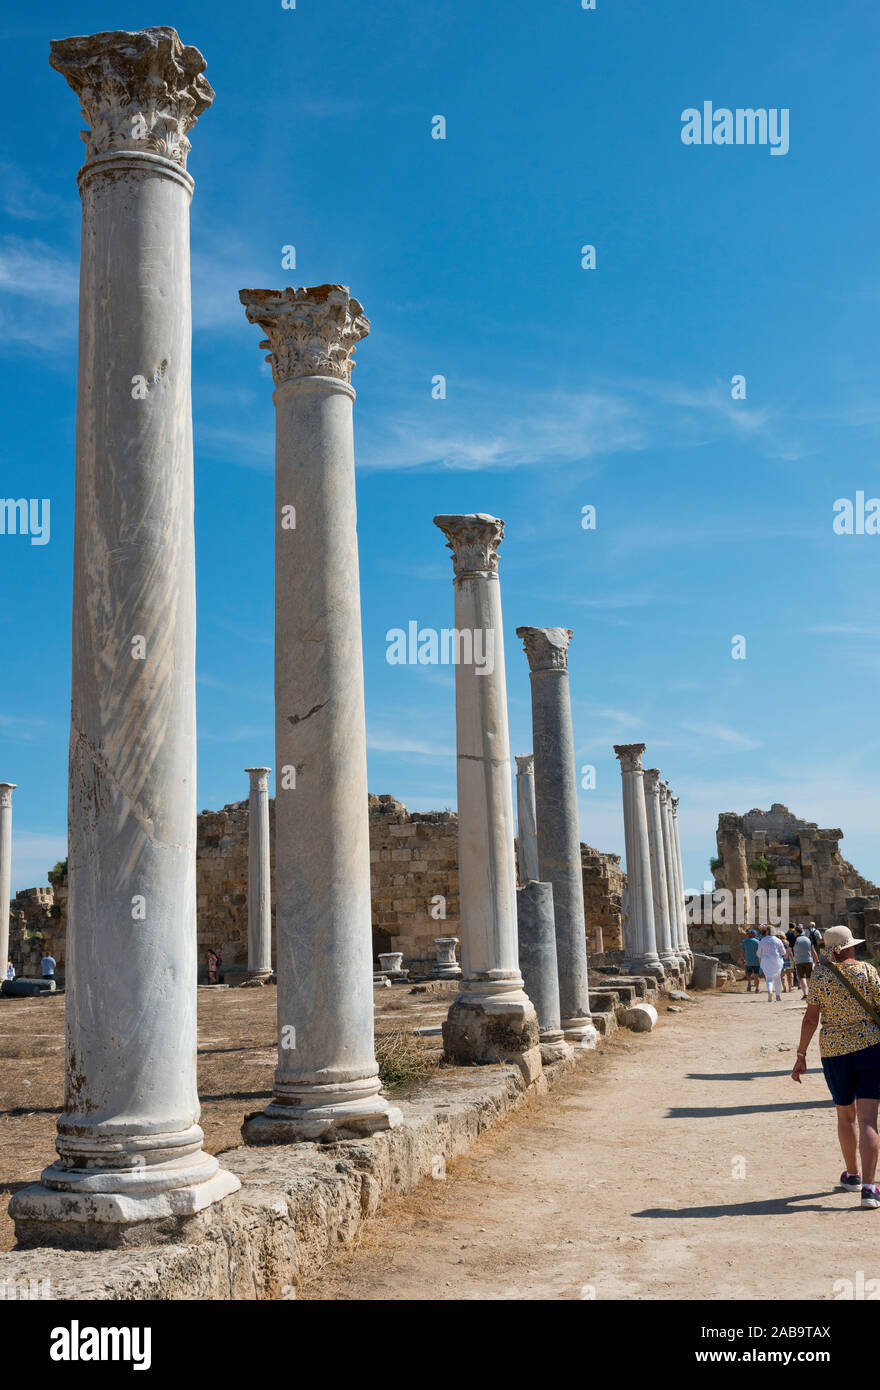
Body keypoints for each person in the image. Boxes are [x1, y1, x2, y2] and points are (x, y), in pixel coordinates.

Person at [791, 925, 880, 1209]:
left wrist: (800, 1054)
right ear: (849, 947)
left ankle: (852, 1176)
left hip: (835, 1053)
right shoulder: (868, 971)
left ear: (832, 950)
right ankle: (869, 1188)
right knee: (868, 1120)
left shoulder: (821, 975)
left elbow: (810, 1019)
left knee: (846, 1116)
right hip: (870, 1048)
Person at [757, 925, 786, 1001]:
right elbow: (783, 952)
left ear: (766, 931)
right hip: (777, 961)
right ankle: (778, 995)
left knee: (768, 978)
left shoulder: (762, 940)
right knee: (777, 978)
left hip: (766, 961)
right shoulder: (778, 940)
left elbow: (759, 953)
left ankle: (770, 991)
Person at [793, 925, 819, 1000]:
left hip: (799, 961)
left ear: (796, 932)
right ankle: (811, 993)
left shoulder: (794, 940)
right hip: (809, 960)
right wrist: (817, 961)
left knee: (802, 978)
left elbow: (790, 950)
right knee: (809, 977)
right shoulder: (808, 939)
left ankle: (805, 994)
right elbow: (813, 951)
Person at [742, 929, 760, 993]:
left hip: (748, 961)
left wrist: (743, 959)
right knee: (756, 975)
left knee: (748, 973)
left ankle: (749, 983)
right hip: (756, 961)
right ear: (754, 935)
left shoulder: (744, 941)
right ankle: (757, 988)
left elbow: (742, 951)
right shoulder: (758, 942)